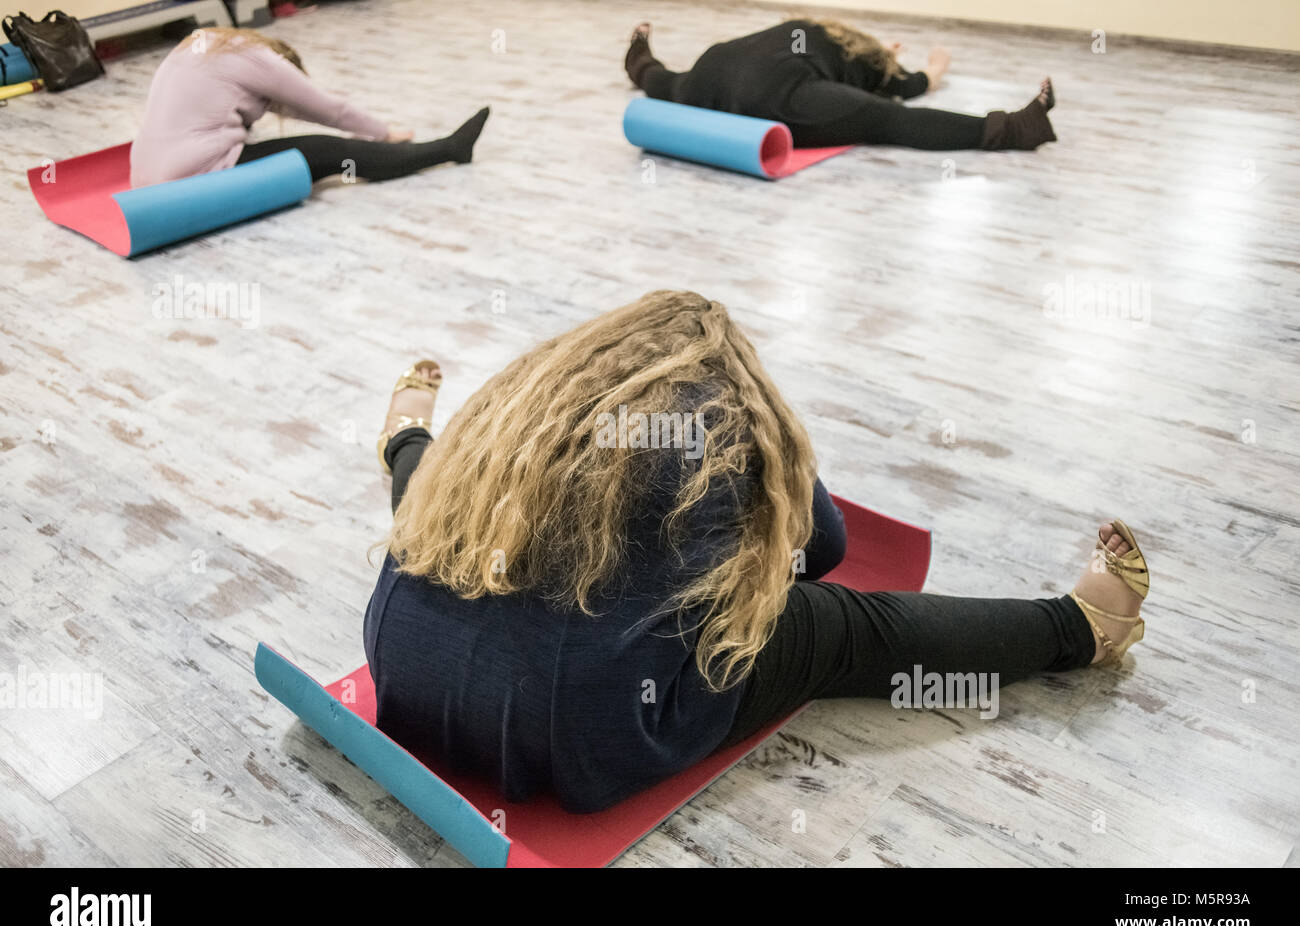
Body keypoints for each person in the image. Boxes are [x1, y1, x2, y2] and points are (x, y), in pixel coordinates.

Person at [365, 292, 1149, 814]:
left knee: (452, 506)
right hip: (571, 728)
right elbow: (826, 550)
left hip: (398, 660)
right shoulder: (728, 418)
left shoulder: (527, 399)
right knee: (837, 628)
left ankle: (405, 435)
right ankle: (1084, 627)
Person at [130, 28, 489, 188]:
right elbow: (325, 108)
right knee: (325, 149)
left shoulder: (207, 45)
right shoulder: (255, 56)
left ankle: (426, 147)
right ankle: (449, 149)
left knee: (317, 143)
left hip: (145, 171)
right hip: (192, 174)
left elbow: (298, 108)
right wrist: (384, 133)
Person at [625, 20, 1056, 152]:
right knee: (886, 120)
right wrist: (936, 66)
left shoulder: (810, 30)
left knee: (658, 79)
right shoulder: (870, 59)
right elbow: (909, 89)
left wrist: (882, 52)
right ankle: (1015, 129)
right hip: (775, 91)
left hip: (712, 69)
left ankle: (637, 53)